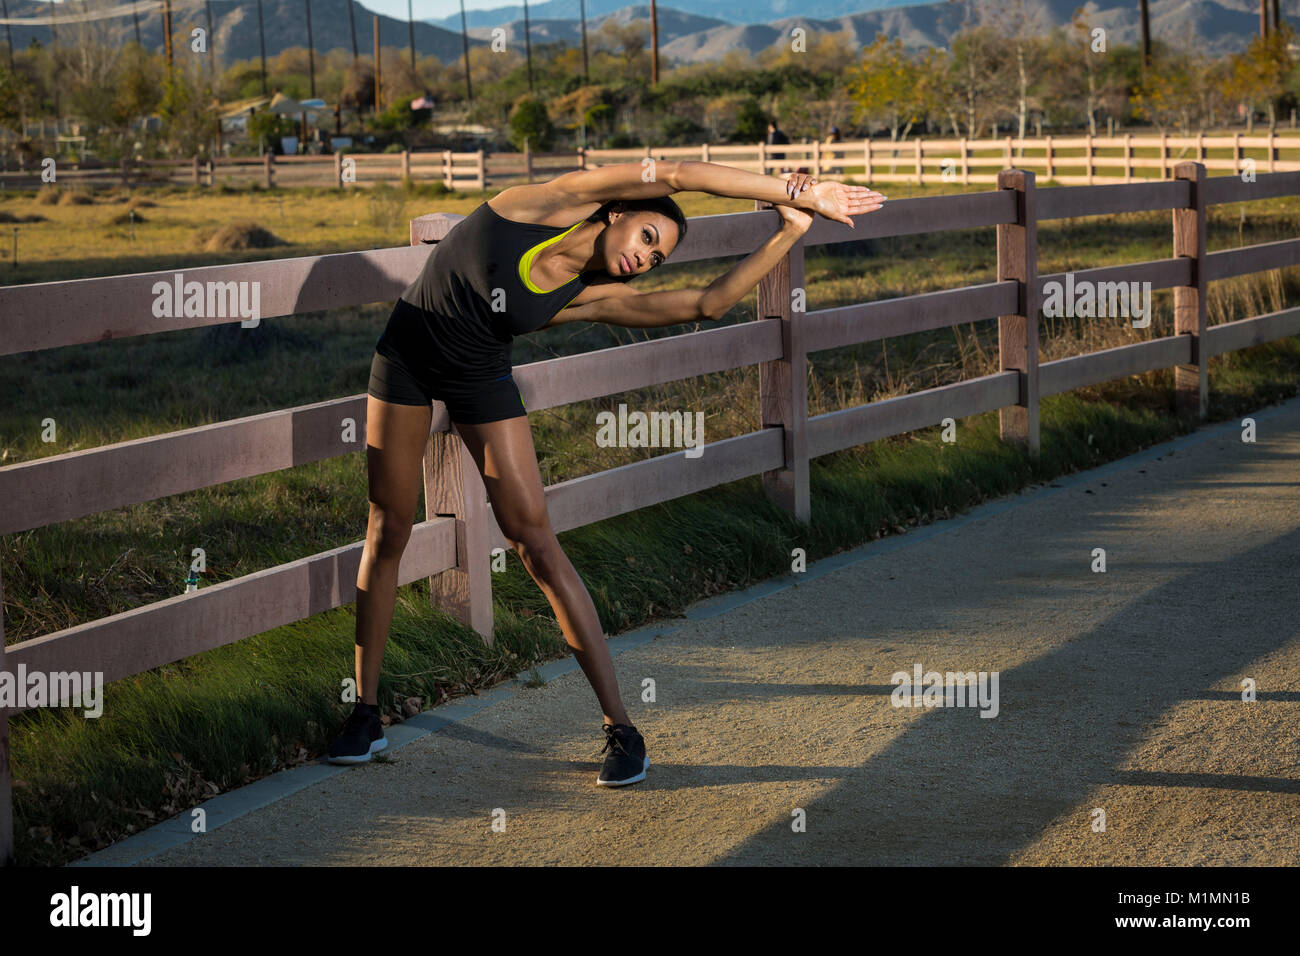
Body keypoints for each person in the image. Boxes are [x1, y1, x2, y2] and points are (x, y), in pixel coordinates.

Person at [329, 161, 886, 785]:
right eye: (648, 238)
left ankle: (622, 731)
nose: (646, 259)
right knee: (389, 527)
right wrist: (800, 188)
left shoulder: (585, 293)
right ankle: (365, 713)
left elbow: (707, 302)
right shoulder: (548, 202)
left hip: (479, 379)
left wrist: (788, 228)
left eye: (657, 260)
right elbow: (677, 173)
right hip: (404, 359)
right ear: (620, 211)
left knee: (535, 544)